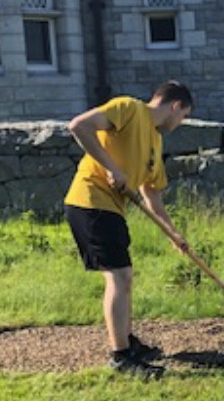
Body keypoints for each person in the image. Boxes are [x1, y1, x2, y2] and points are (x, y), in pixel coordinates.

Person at [64, 80, 194, 377]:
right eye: (184, 115)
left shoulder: (155, 142)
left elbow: (153, 196)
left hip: (112, 209)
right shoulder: (128, 109)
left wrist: (173, 234)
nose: (181, 122)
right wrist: (112, 169)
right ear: (175, 106)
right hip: (90, 201)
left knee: (125, 277)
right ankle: (121, 357)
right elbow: (79, 126)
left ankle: (126, 340)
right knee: (119, 276)